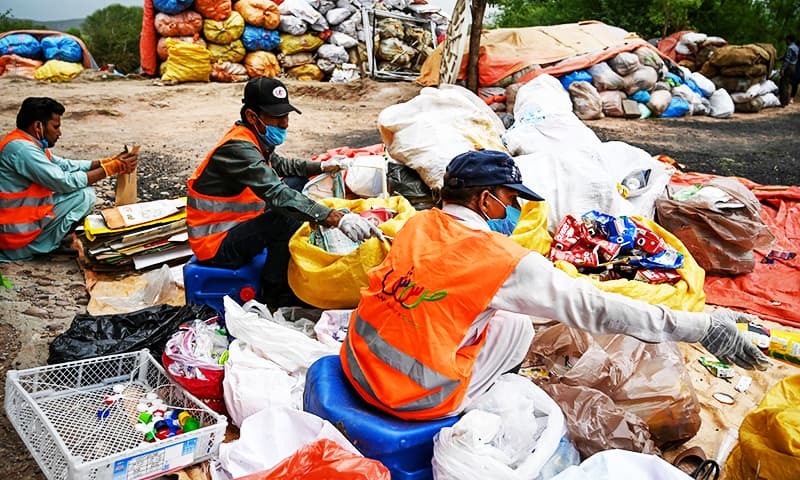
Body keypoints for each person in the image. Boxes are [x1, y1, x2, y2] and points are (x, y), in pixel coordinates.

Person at [340, 149, 770, 421]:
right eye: (510, 200)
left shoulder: (417, 223)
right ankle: (469, 406)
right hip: (408, 397)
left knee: (495, 313)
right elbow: (599, 308)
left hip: (356, 366)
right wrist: (701, 326)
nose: (513, 209)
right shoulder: (500, 259)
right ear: (485, 199)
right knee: (517, 325)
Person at [187, 77, 382, 308]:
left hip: (238, 224)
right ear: (252, 117)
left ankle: (279, 270)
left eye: (286, 116)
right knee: (285, 215)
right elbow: (278, 194)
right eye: (278, 118)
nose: (285, 124)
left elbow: (284, 166)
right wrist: (336, 218)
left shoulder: (253, 139)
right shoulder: (238, 149)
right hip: (216, 245)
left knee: (296, 182)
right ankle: (275, 294)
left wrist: (321, 166)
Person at [0, 97, 138, 261]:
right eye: (56, 127)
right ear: (38, 126)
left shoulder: (26, 142)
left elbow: (65, 165)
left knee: (82, 192)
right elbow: (64, 182)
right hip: (15, 240)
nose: (59, 133)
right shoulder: (23, 149)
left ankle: (50, 239)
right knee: (83, 195)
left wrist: (107, 162)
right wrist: (111, 168)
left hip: (18, 228)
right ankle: (42, 245)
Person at [780, 34, 799, 105]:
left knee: (783, 84)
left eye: (786, 40)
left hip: (788, 67)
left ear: (789, 40)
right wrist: (778, 58)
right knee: (787, 84)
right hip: (794, 67)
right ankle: (787, 101)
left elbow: (787, 59)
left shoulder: (790, 48)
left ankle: (783, 102)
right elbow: (786, 56)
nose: (785, 41)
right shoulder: (796, 47)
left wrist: (782, 69)